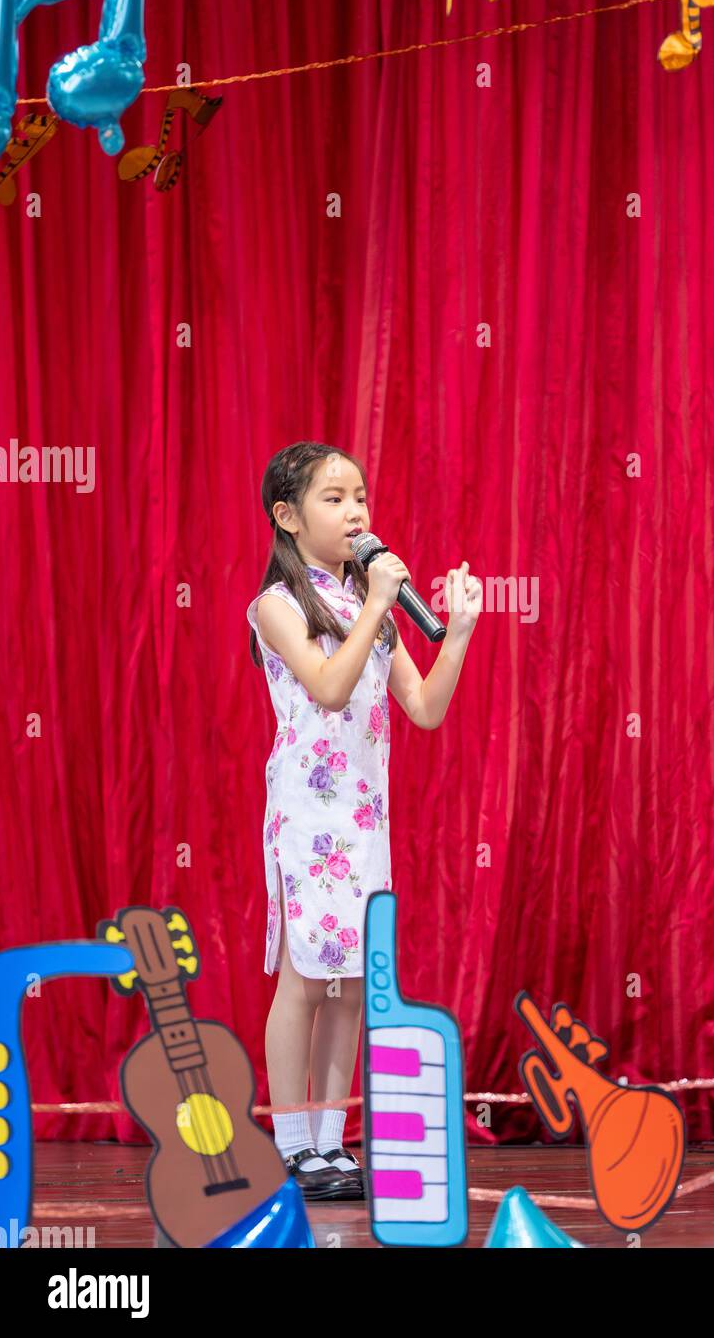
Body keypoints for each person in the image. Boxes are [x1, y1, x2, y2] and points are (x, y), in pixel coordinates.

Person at [246, 441, 481, 1201]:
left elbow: (423, 709)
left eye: (360, 498)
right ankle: (289, 1145)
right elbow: (328, 690)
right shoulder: (275, 606)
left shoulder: (366, 604)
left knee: (349, 983)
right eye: (333, 498)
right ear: (287, 516)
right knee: (305, 980)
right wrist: (378, 602)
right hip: (307, 817)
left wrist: (462, 632)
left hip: (363, 818)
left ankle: (328, 1143)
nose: (354, 513)